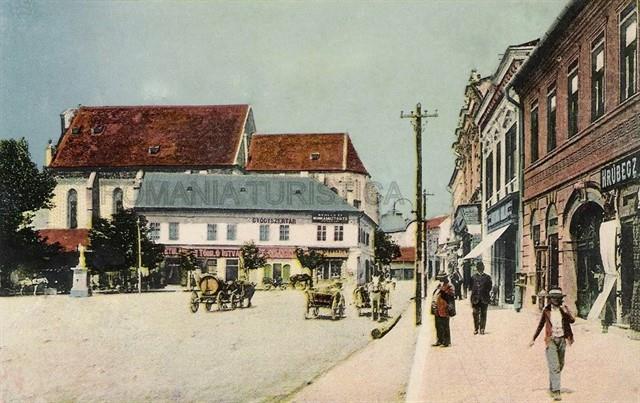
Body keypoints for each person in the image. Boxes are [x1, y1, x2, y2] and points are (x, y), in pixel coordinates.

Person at [529, 288, 575, 401]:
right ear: (550, 299)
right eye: (553, 298)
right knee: (555, 367)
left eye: (558, 298)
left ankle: (552, 385)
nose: (556, 300)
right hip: (551, 340)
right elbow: (540, 325)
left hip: (562, 340)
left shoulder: (563, 310)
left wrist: (566, 311)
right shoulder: (546, 310)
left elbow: (572, 321)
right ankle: (556, 391)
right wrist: (533, 338)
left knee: (560, 365)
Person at [432, 273, 455, 347]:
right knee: (438, 325)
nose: (440, 280)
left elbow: (450, 296)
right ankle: (439, 340)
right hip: (438, 307)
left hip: (444, 307)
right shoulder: (439, 286)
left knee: (445, 325)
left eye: (441, 278)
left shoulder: (449, 286)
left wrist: (443, 291)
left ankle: (446, 341)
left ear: (445, 278)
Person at [470, 261, 492, 335]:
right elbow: (471, 287)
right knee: (475, 313)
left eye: (481, 268)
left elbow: (489, 287)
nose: (480, 269)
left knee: (483, 314)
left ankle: (482, 329)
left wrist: (485, 293)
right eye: (479, 268)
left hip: (484, 299)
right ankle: (476, 328)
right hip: (475, 299)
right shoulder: (473, 277)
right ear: (477, 269)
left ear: (483, 268)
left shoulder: (487, 277)